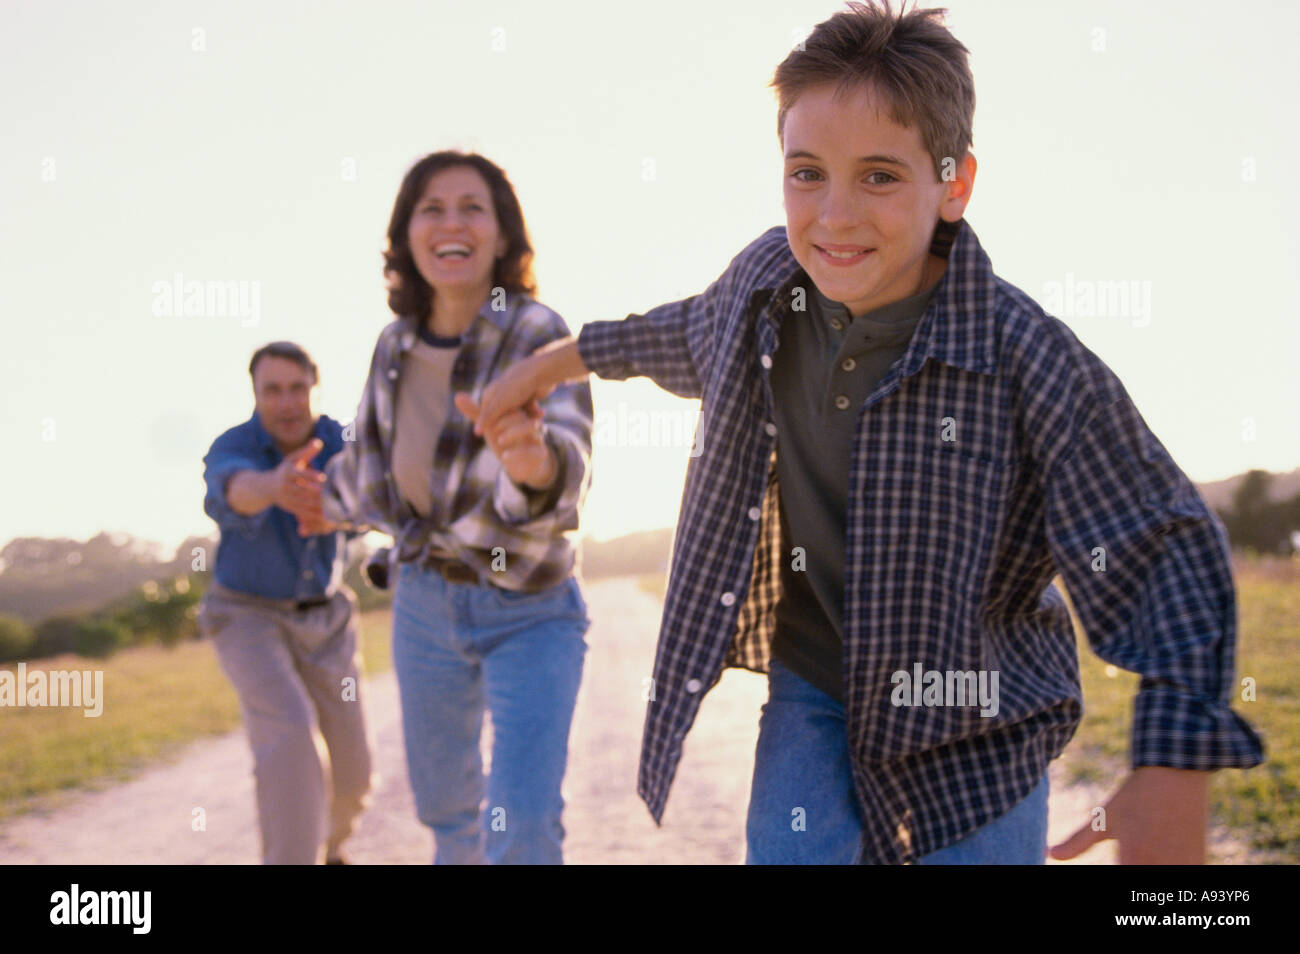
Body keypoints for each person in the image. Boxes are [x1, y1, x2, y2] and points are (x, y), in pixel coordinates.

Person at [469, 0, 1265, 864]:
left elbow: (1165, 539)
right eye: (807, 172)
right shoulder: (764, 286)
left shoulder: (1023, 353)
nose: (835, 215)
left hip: (979, 716)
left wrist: (1172, 766)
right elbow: (673, 332)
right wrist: (538, 369)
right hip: (815, 684)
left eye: (879, 176)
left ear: (953, 183)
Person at [294, 151, 594, 865]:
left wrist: (532, 463)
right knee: (449, 815)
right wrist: (317, 501)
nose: (451, 223)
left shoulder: (536, 331)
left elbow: (568, 464)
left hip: (529, 605)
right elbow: (372, 472)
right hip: (423, 605)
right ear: (406, 236)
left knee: (519, 822)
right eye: (432, 208)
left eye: (471, 208)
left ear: (501, 235)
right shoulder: (393, 346)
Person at [198, 341, 375, 865]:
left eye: (297, 388)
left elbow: (377, 500)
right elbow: (234, 490)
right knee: (291, 737)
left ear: (314, 388)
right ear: (255, 395)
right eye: (272, 390)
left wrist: (340, 513)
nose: (286, 402)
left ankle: (335, 848)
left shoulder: (341, 441)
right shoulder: (235, 445)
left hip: (327, 620)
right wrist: (276, 485)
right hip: (245, 617)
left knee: (353, 767)